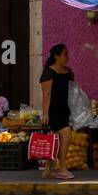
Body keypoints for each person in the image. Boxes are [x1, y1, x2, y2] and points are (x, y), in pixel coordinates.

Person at [38, 44, 75, 180]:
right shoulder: (48, 73)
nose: (67, 57)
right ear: (56, 56)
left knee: (54, 139)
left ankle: (47, 170)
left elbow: (73, 91)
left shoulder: (69, 72)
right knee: (66, 135)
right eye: (64, 54)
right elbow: (46, 95)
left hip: (65, 109)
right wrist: (45, 114)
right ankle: (62, 168)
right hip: (53, 111)